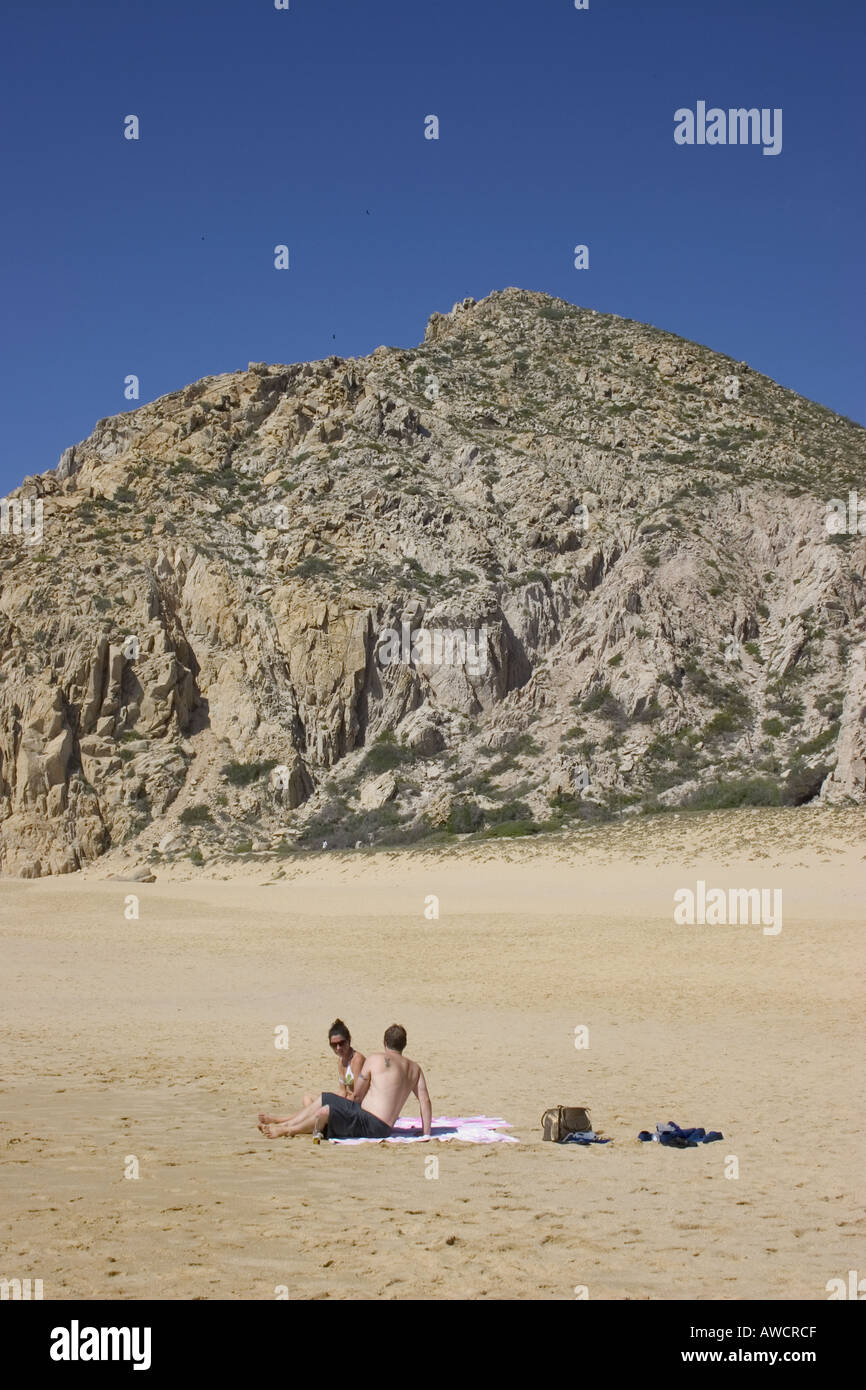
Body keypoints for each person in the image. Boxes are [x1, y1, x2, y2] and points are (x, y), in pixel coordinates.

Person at [258, 1024, 432, 1141]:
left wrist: (350, 1104)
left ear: (385, 1042)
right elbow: (425, 1101)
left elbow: (357, 1094)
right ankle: (286, 1124)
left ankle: (287, 1129)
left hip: (369, 1123)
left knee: (329, 1102)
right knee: (328, 1099)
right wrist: (426, 1134)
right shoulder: (415, 1069)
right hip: (385, 1128)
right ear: (404, 1044)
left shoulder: (376, 1059)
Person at [258, 1019, 365, 1129]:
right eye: (334, 1045)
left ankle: (282, 1122)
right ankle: (308, 1121)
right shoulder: (341, 1061)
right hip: (346, 1100)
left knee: (317, 1105)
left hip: (355, 1105)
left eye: (341, 1043)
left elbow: (358, 1095)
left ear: (349, 1040)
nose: (338, 1048)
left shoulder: (357, 1060)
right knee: (307, 1098)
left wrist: (334, 1102)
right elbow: (342, 1091)